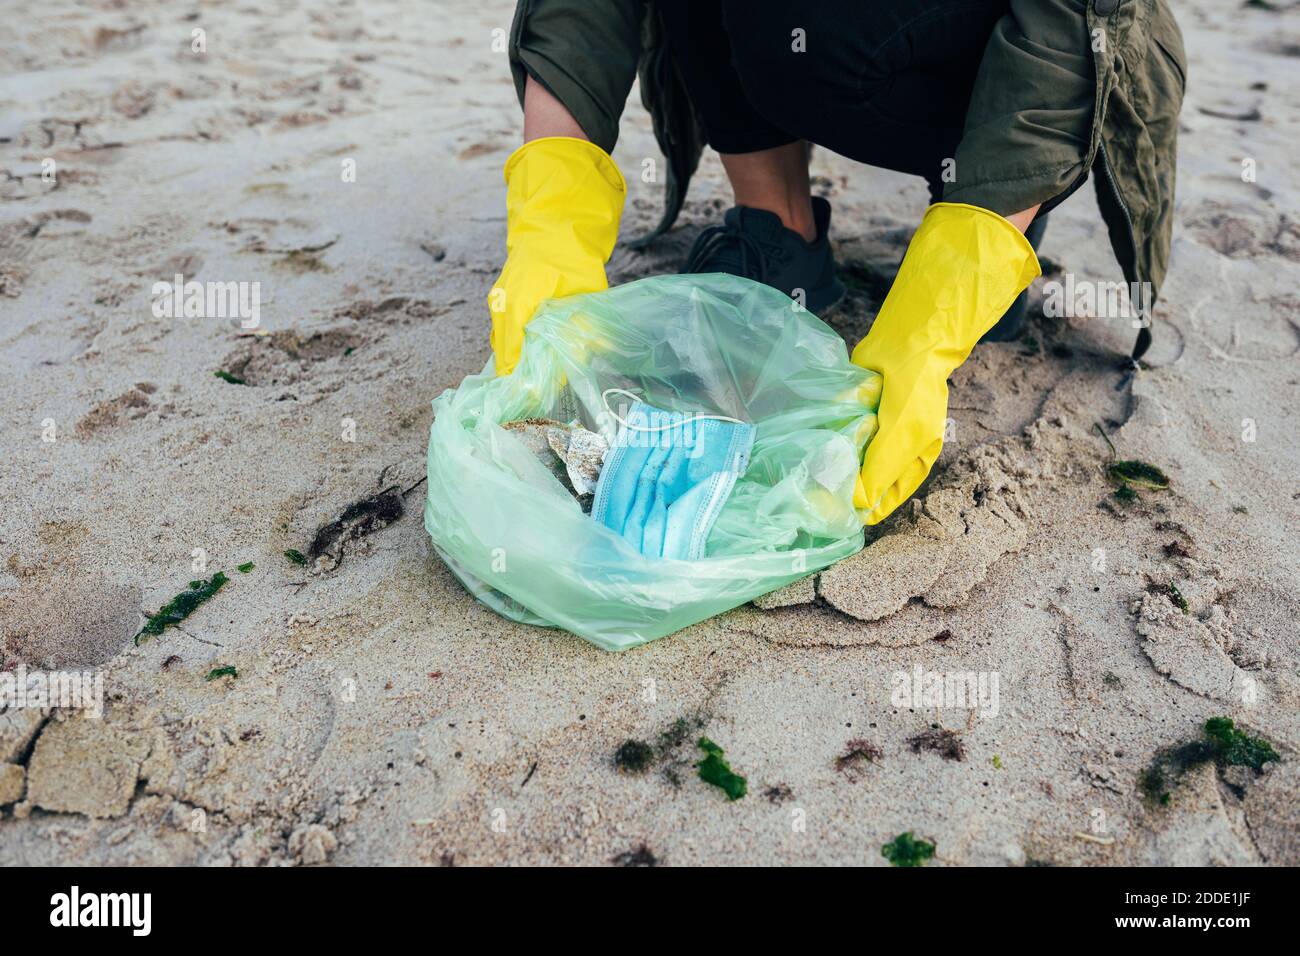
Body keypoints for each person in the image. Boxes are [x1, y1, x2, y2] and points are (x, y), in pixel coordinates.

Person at [489, 0, 1185, 524]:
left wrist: (931, 324)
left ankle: (986, 214)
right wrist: (554, 217)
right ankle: (778, 227)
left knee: (792, 30)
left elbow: (1071, 31)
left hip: (1020, 39)